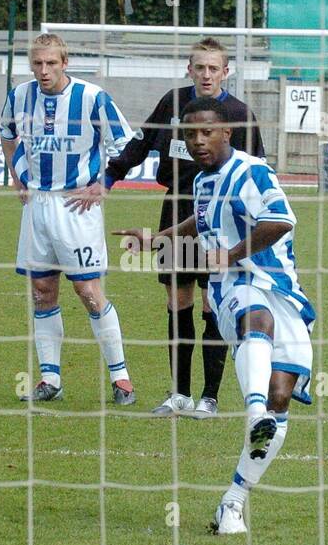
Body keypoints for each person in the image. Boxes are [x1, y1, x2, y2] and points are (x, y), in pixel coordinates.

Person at [114, 97, 314, 535]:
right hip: (233, 289)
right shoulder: (203, 181)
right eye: (190, 134)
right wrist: (157, 239)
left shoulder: (252, 171)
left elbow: (280, 221)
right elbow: (198, 221)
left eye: (207, 132)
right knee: (254, 321)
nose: (198, 141)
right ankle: (253, 409)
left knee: (283, 394)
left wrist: (233, 252)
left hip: (283, 291)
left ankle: (234, 501)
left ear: (227, 132)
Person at [103, 37, 263, 418]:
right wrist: (109, 177)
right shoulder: (171, 103)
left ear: (226, 72)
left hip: (222, 217)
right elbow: (140, 143)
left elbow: (257, 169)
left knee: (213, 305)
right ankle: (179, 394)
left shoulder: (239, 113)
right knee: (178, 301)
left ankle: (210, 397)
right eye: (199, 67)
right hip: (176, 208)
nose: (206, 74)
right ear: (188, 69)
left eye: (213, 68)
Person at [0, 33, 137, 406]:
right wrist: (16, 175)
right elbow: (8, 134)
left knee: (89, 293)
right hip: (37, 206)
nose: (44, 71)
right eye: (38, 63)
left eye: (51, 63)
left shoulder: (92, 98)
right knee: (42, 291)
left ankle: (121, 378)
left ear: (65, 62)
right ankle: (50, 379)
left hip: (77, 207)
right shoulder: (19, 96)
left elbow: (126, 145)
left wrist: (104, 184)